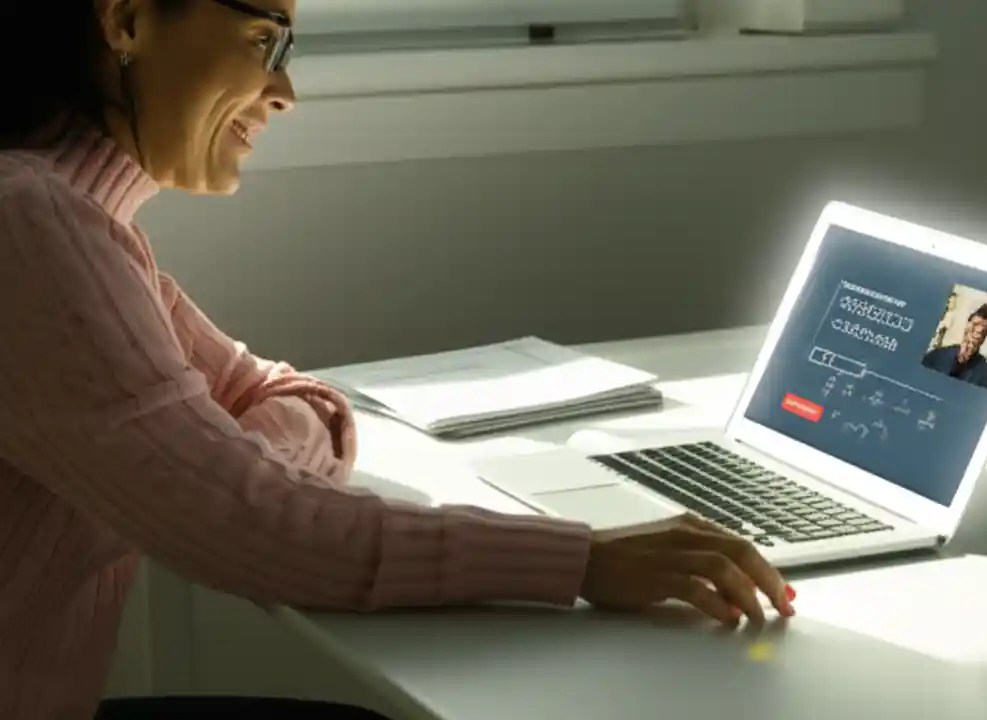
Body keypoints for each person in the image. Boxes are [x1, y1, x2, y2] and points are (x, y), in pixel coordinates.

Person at [0, 2, 795, 719]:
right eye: (262, 38)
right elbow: (250, 522)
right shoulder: (32, 227)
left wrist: (226, 475)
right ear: (128, 20)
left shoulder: (84, 225)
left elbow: (299, 405)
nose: (284, 91)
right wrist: (582, 562)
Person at [921, 303, 987, 389]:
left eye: (983, 331)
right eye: (975, 325)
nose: (978, 332)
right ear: (967, 326)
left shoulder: (983, 371)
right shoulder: (938, 355)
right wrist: (958, 361)